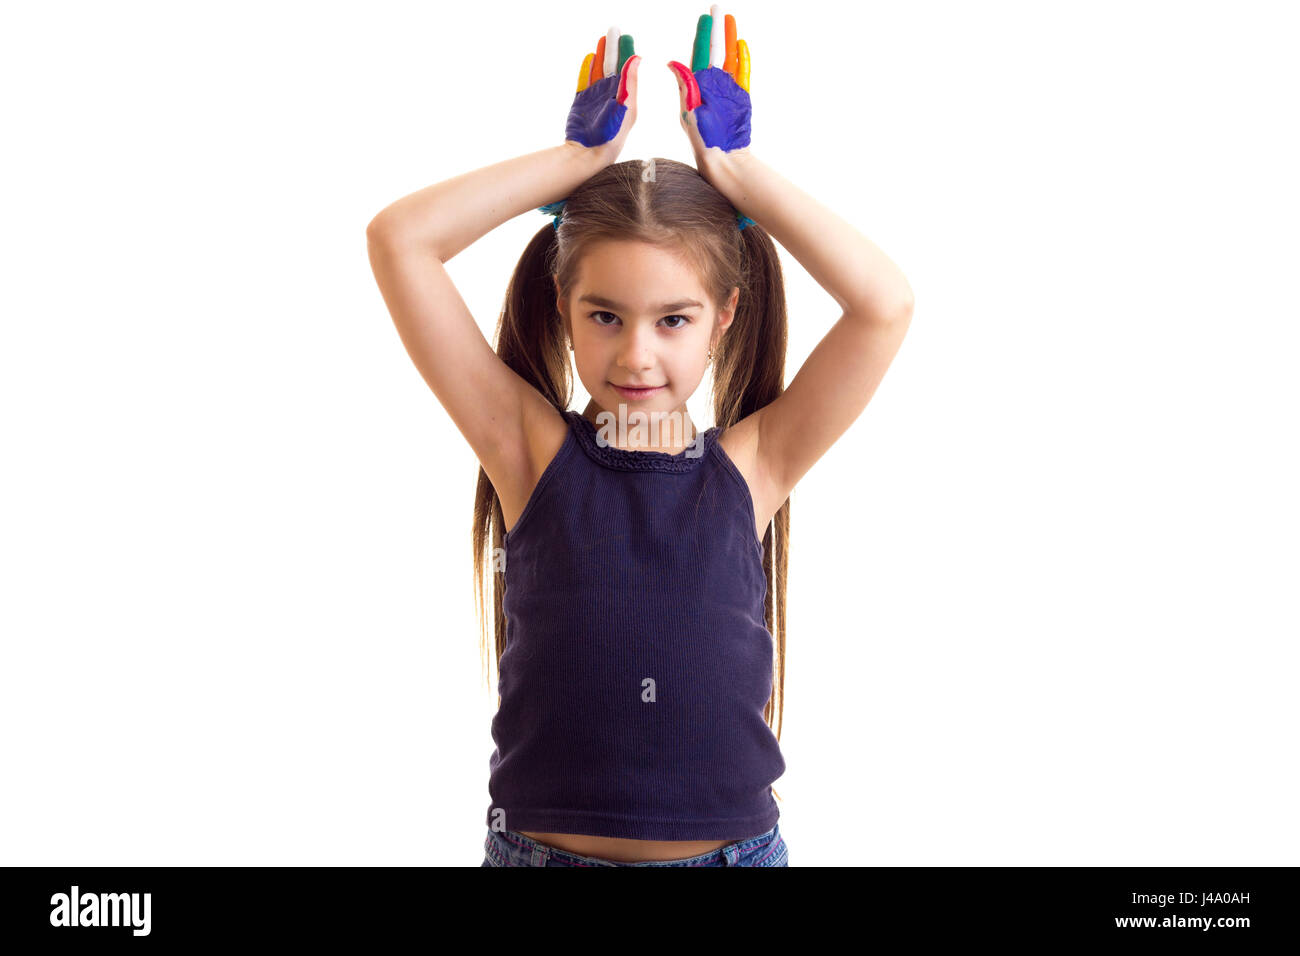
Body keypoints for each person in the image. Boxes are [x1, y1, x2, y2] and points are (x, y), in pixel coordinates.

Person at [365, 8, 914, 867]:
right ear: (563, 308)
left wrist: (735, 172)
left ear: (723, 317)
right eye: (606, 315)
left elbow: (885, 305)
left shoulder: (753, 466)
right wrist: (577, 164)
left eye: (673, 319)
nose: (636, 352)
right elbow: (400, 241)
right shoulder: (529, 452)